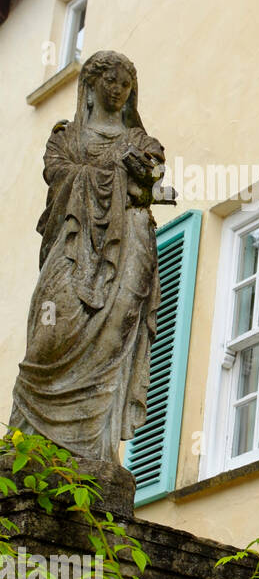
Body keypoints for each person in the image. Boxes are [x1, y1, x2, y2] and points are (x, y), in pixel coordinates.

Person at [9, 50, 166, 464]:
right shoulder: (66, 138)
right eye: (109, 81)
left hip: (130, 245)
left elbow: (152, 186)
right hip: (74, 242)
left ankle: (96, 454)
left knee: (114, 336)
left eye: (124, 84)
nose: (116, 89)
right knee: (51, 328)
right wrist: (117, 175)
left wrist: (141, 177)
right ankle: (27, 440)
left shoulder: (142, 143)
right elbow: (58, 175)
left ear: (133, 93)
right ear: (91, 86)